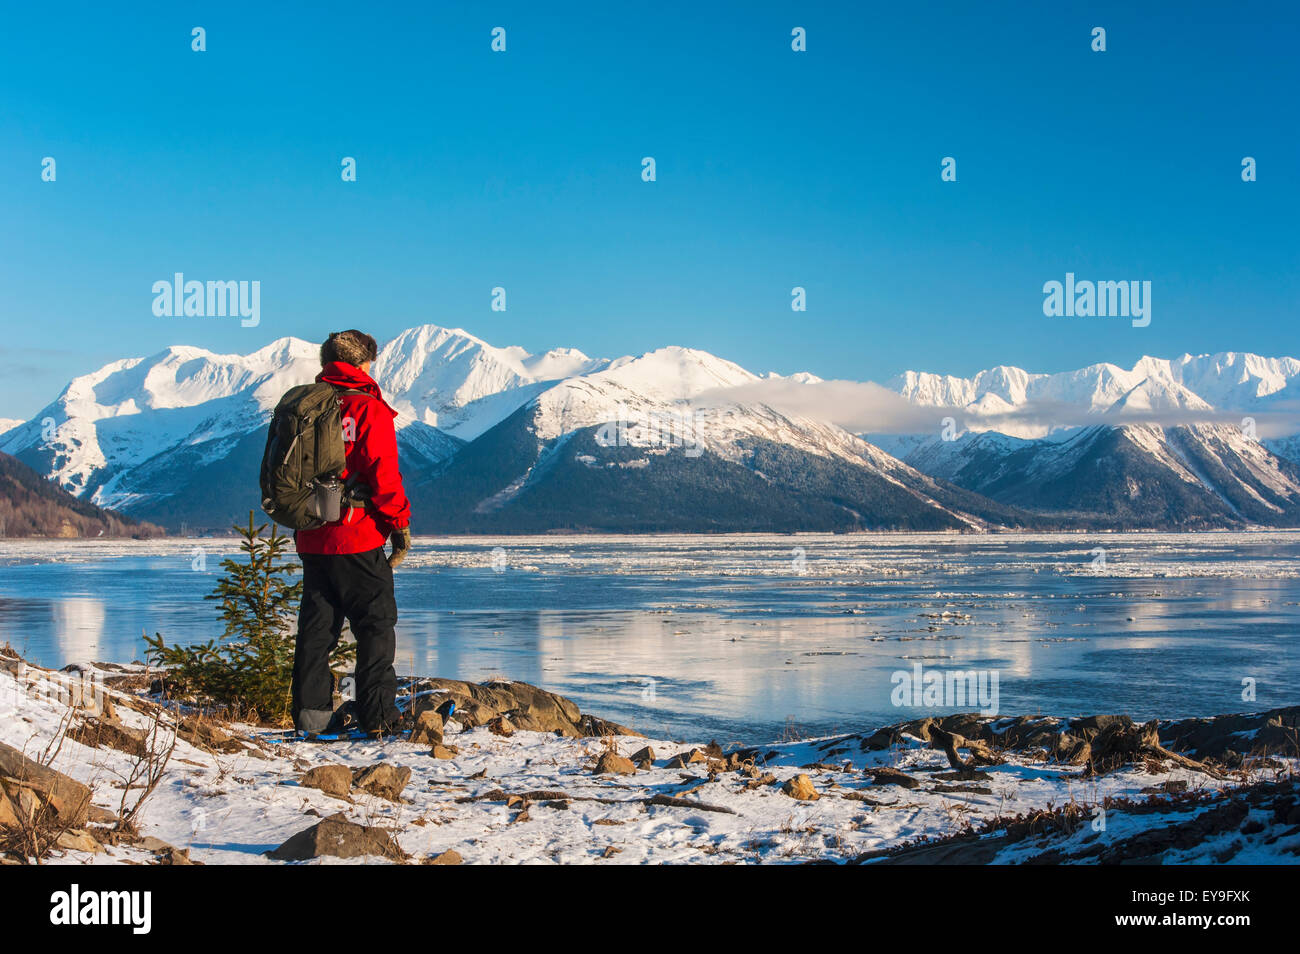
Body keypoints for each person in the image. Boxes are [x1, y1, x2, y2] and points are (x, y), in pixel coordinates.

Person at [290, 330, 412, 737]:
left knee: (317, 630)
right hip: (357, 535)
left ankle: (312, 720)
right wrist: (399, 523)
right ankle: (378, 718)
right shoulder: (367, 409)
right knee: (376, 624)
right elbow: (383, 475)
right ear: (364, 364)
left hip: (312, 535)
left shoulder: (305, 408)